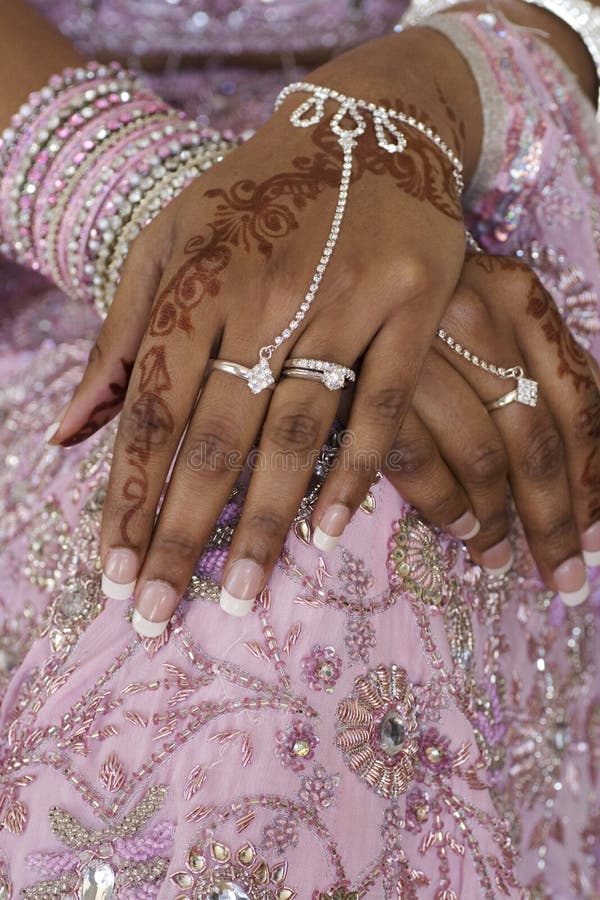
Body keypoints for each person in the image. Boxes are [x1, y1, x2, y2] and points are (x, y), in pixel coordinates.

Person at [0, 0, 598, 896]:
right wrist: (218, 223)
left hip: (479, 156)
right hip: (52, 252)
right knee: (280, 519)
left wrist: (428, 88)